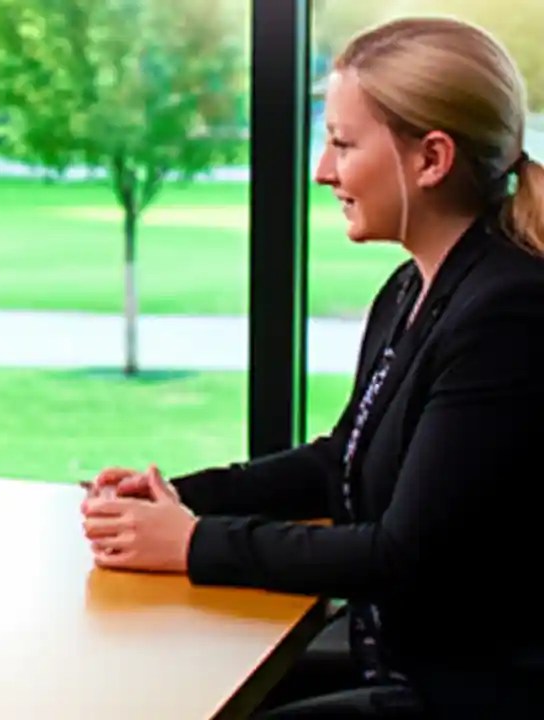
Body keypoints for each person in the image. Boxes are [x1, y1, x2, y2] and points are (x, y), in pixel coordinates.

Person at [81, 17, 544, 718]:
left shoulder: (506, 313)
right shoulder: (413, 288)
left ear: (432, 159)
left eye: (341, 144)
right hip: (401, 664)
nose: (322, 170)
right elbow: (341, 463)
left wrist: (195, 545)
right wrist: (181, 501)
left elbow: (401, 555)